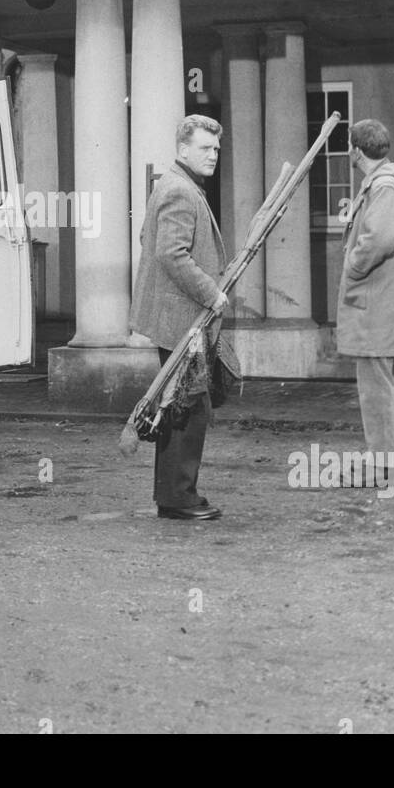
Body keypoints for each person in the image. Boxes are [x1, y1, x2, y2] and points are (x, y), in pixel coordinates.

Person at [130, 115, 229, 521]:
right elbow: (170, 253)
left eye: (217, 149)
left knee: (180, 405)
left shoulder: (175, 185)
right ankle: (178, 498)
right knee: (188, 406)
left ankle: (173, 494)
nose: (213, 155)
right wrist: (211, 292)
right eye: (205, 148)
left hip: (177, 313)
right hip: (181, 317)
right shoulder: (181, 191)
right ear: (183, 149)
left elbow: (147, 240)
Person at [336, 119, 394, 485]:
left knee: (375, 387)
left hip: (376, 300)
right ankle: (392, 461)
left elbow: (379, 240)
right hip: (381, 299)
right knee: (384, 382)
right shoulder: (387, 183)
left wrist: (353, 267)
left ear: (356, 150)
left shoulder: (385, 187)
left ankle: (382, 466)